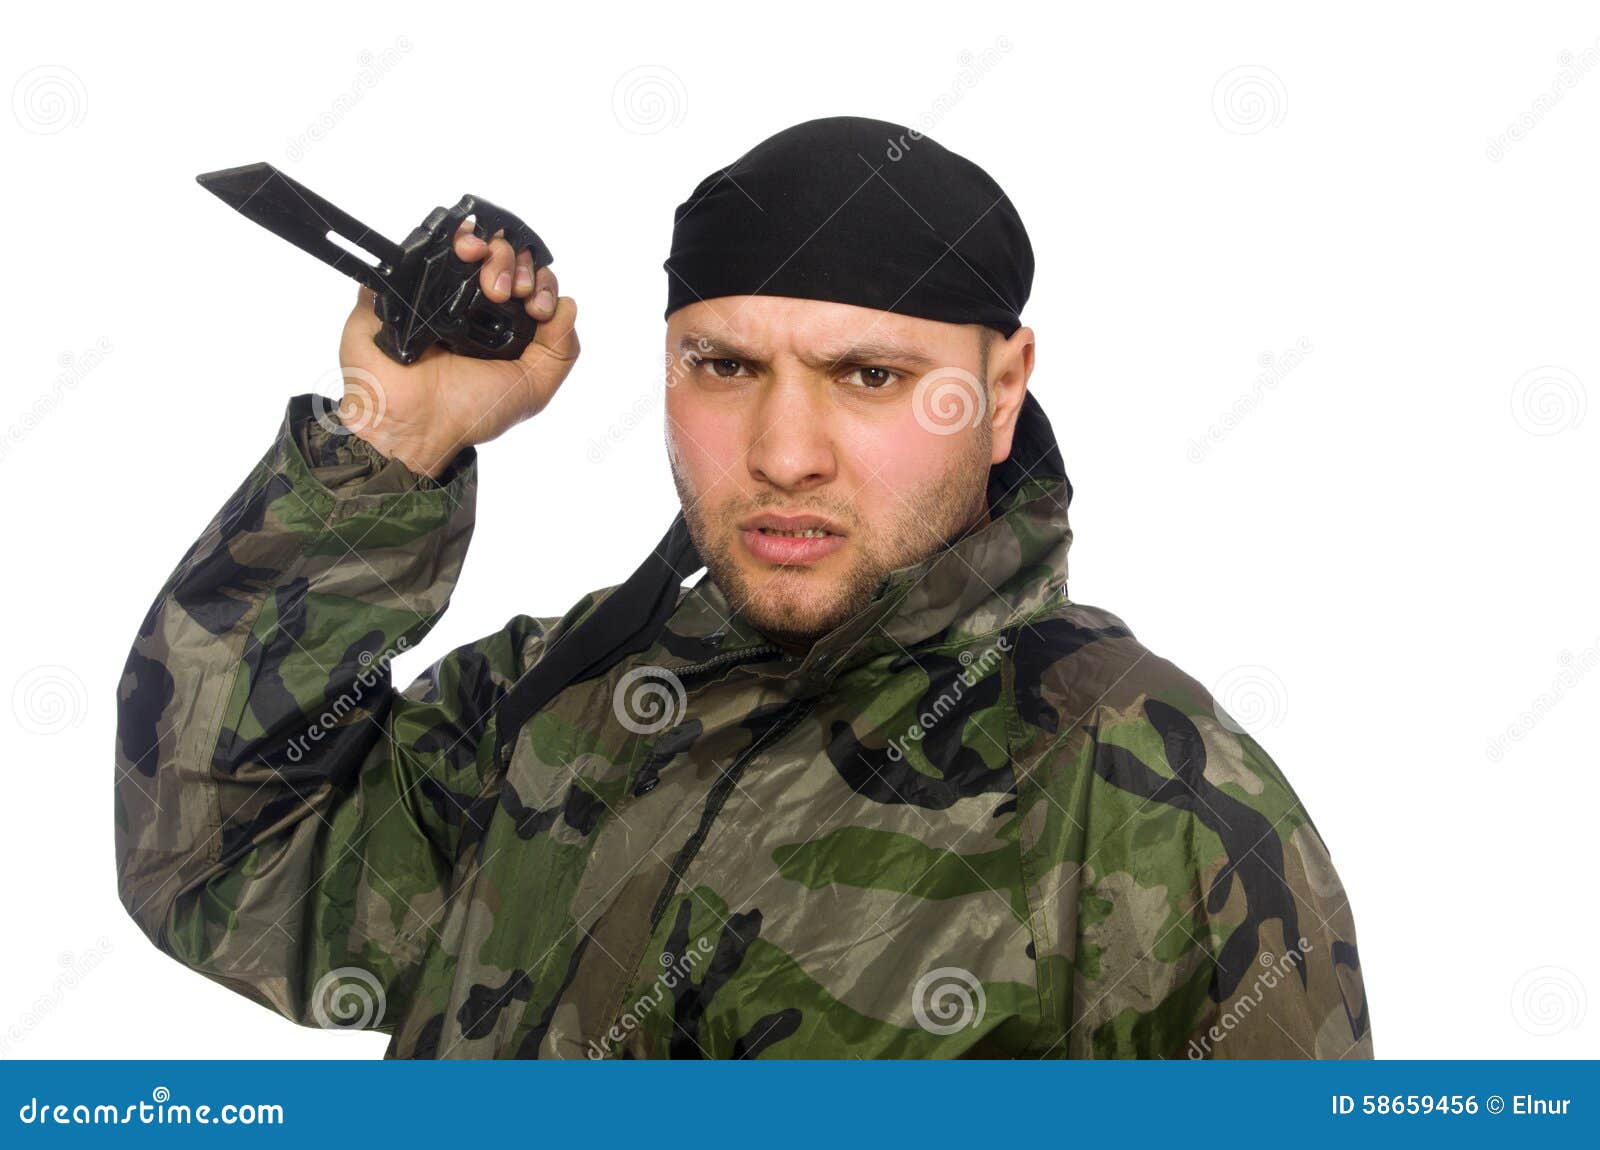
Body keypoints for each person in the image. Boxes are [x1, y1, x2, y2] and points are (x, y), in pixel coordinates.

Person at [114, 115, 1372, 1059]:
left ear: (997, 391)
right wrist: (391, 445)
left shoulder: (1153, 799)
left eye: (867, 376)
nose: (781, 453)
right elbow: (217, 861)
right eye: (721, 366)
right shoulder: (560, 702)